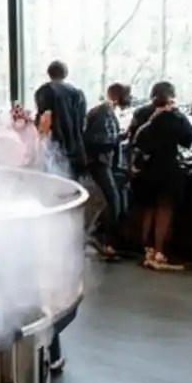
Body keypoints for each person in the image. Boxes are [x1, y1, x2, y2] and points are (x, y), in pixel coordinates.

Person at [129, 81, 192, 271]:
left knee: (148, 208)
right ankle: (160, 252)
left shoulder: (141, 113)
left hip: (145, 168)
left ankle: (147, 251)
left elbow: (133, 138)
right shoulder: (174, 116)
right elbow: (188, 139)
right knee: (165, 209)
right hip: (167, 166)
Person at [84, 83, 131, 260]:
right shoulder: (103, 113)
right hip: (100, 162)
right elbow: (96, 139)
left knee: (115, 199)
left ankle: (103, 238)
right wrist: (115, 140)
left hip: (103, 161)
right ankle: (104, 240)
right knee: (113, 200)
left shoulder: (105, 112)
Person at [33, 60, 87, 179]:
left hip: (54, 141)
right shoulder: (78, 93)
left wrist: (39, 142)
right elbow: (82, 120)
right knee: (72, 183)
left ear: (49, 73)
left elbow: (45, 118)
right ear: (65, 74)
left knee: (54, 180)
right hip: (74, 144)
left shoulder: (45, 91)